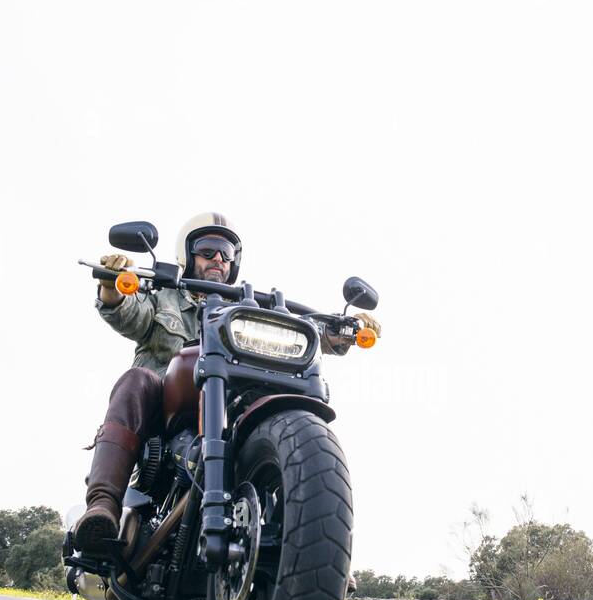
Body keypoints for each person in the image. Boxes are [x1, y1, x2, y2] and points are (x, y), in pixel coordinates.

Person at [71, 212, 379, 554]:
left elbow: (304, 332)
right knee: (136, 381)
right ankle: (103, 507)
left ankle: (315, 542)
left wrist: (341, 330)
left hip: (231, 408)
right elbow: (126, 312)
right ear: (187, 256)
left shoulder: (248, 308)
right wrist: (112, 284)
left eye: (227, 253)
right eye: (208, 250)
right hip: (166, 409)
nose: (218, 258)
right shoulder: (165, 294)